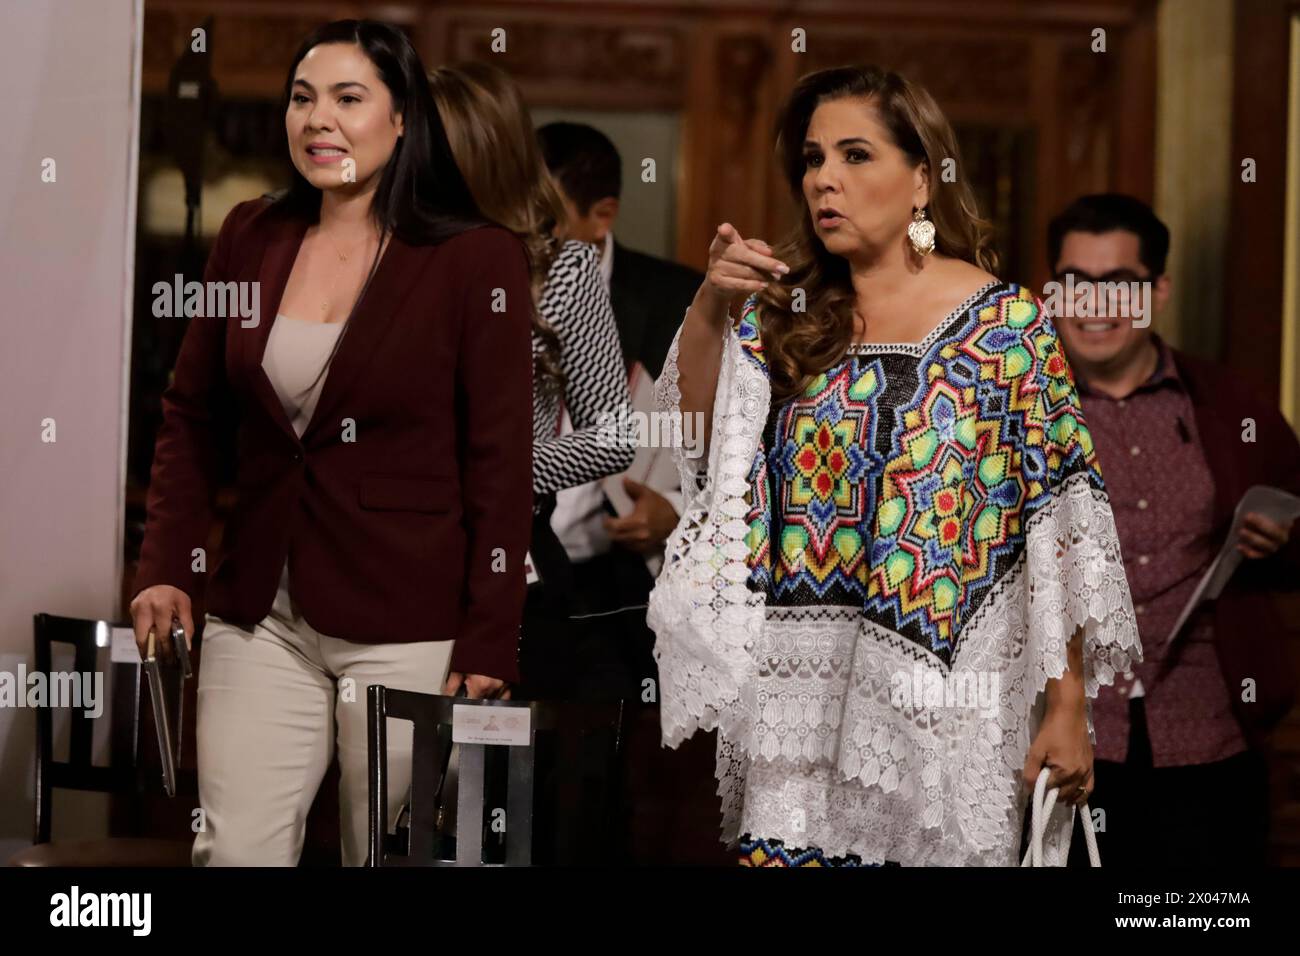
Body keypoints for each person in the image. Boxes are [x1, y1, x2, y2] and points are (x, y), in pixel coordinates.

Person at [647, 64, 1143, 866]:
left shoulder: (1006, 326)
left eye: (854, 155)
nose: (825, 181)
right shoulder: (789, 313)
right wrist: (710, 306)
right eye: (812, 160)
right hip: (796, 696)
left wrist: (1067, 704)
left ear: (922, 180)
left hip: (944, 705)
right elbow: (701, 446)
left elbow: (1061, 523)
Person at [129, 20, 534, 866]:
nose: (321, 120)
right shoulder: (252, 232)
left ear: (402, 119)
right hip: (259, 612)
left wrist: (492, 636)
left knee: (387, 856)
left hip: (409, 617)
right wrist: (165, 562)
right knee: (235, 852)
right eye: (304, 98)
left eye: (350, 98)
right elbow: (193, 413)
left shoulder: (475, 259)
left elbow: (500, 461)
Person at [1044, 194, 1300, 867]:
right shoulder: (1018, 412)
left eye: (1118, 286)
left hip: (1209, 742)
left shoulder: (1231, 405)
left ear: (1157, 291)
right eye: (1075, 284)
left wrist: (1280, 541)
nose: (1093, 306)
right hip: (1062, 749)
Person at [428, 64, 633, 701]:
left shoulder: (560, 267)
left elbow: (616, 436)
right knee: (382, 782)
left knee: (488, 786)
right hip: (385, 550)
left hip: (507, 558)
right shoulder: (377, 257)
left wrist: (494, 467)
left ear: (476, 154)